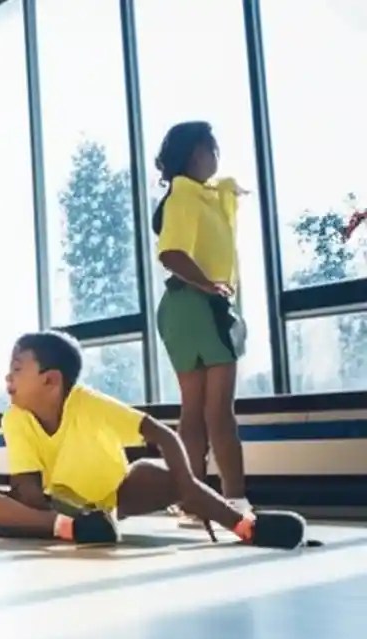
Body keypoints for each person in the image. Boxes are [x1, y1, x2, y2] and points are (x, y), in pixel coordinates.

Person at [0, 331, 307, 549]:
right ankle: (71, 528)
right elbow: (29, 489)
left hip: (117, 496)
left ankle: (245, 525)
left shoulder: (89, 404)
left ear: (50, 380)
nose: (7, 376)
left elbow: (162, 434)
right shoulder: (14, 419)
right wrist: (33, 508)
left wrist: (188, 488)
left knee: (150, 471)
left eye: (17, 368)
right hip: (57, 506)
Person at [151, 121, 252, 525]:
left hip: (179, 309)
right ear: (196, 153)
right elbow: (171, 253)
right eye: (213, 148)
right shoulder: (185, 198)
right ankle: (236, 501)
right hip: (199, 306)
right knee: (219, 413)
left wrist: (230, 186)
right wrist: (209, 286)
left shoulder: (195, 194)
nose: (217, 156)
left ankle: (194, 502)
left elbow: (222, 187)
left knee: (193, 411)